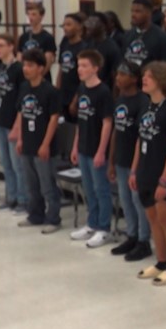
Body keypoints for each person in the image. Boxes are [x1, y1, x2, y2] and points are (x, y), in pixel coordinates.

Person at [133, 61, 166, 286]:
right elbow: (140, 139)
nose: (144, 79)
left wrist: (165, 180)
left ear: (162, 81)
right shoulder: (146, 106)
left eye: (149, 77)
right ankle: (161, 262)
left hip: (162, 174)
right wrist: (134, 170)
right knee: (152, 218)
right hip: (145, 170)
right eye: (144, 75)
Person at [106, 62, 153, 261]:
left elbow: (142, 135)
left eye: (123, 75)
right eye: (117, 74)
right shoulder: (119, 99)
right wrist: (111, 160)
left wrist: (137, 164)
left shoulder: (143, 101)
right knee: (125, 199)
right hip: (121, 159)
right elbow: (116, 130)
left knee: (137, 200)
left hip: (138, 160)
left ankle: (144, 240)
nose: (118, 78)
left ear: (134, 78)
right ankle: (132, 235)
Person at [69, 50, 115, 248]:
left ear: (95, 68)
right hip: (84, 147)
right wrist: (75, 145)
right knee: (88, 188)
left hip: (97, 149)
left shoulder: (103, 92)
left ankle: (104, 228)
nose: (80, 69)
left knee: (101, 189)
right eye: (79, 65)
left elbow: (107, 123)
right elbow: (81, 120)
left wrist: (101, 151)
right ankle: (92, 223)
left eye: (85, 66)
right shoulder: (82, 88)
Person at [13, 49, 63, 234]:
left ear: (41, 68)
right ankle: (35, 215)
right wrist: (19, 138)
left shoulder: (50, 91)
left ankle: (53, 218)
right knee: (31, 184)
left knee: (47, 184)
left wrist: (45, 144)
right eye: (24, 65)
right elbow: (21, 113)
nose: (26, 69)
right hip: (27, 143)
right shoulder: (24, 87)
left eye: (30, 65)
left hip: (44, 145)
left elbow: (53, 119)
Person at [0, 34, 27, 212]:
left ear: (11, 47)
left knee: (17, 164)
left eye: (1, 45)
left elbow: (22, 100)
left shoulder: (19, 69)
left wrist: (18, 126)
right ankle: (11, 197)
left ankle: (23, 199)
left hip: (12, 121)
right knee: (5, 163)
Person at [121, 0, 166, 70]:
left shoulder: (162, 37)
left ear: (149, 13)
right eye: (132, 11)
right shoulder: (128, 35)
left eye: (137, 11)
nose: (133, 15)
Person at [56, 12, 87, 116]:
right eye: (64, 25)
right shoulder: (64, 42)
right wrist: (57, 91)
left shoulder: (83, 47)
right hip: (63, 94)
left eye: (69, 25)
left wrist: (75, 100)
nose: (65, 28)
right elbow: (61, 68)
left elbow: (84, 78)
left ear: (79, 27)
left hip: (76, 93)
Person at [17, 4, 57, 77]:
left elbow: (48, 61)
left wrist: (38, 77)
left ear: (41, 16)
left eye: (34, 14)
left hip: (41, 76)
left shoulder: (48, 37)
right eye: (28, 14)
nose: (30, 17)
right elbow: (19, 57)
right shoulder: (23, 37)